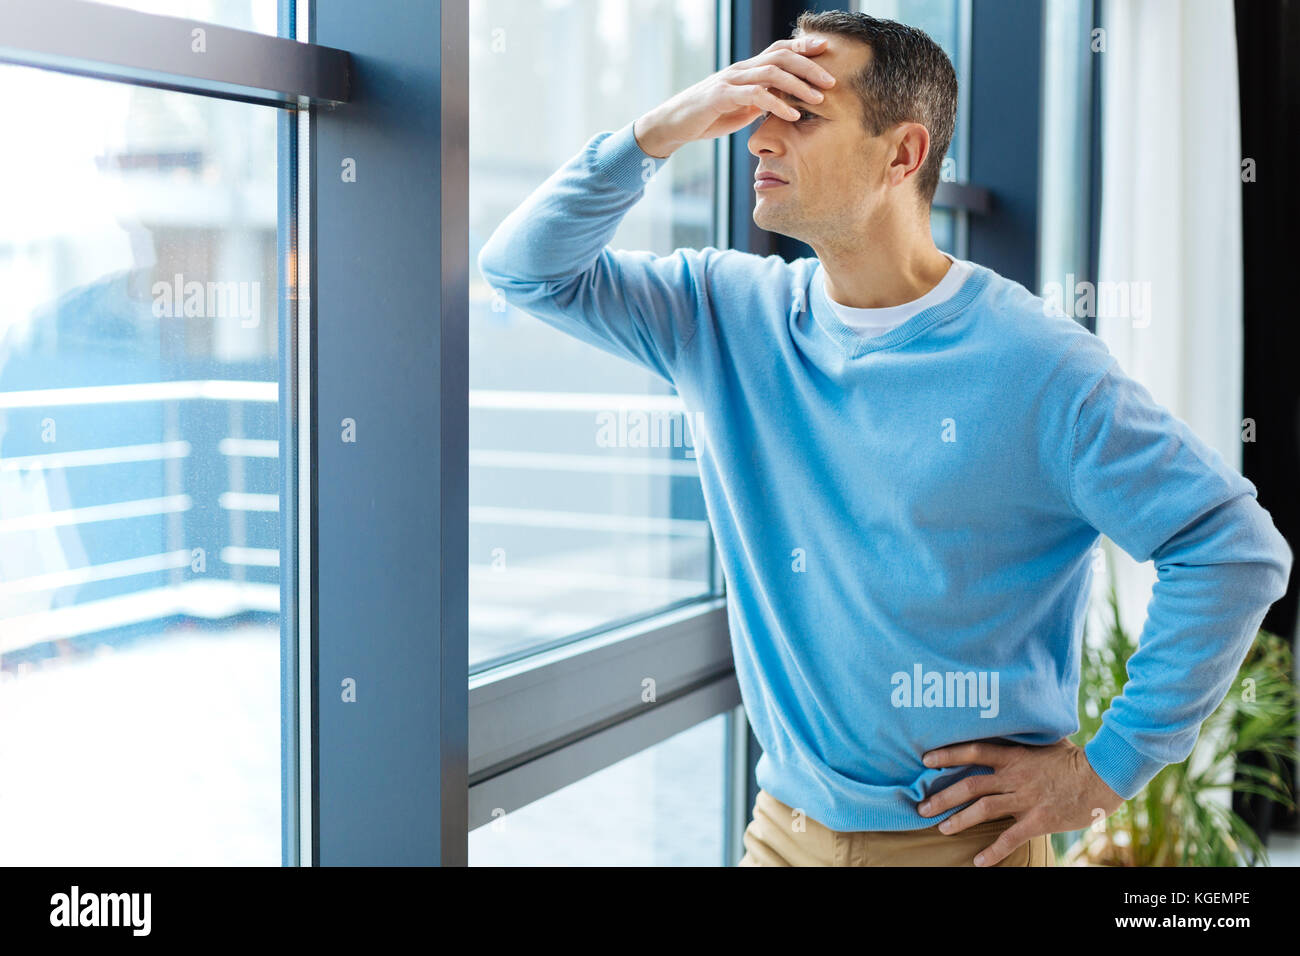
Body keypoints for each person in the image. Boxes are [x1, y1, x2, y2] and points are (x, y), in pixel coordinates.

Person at [476, 10, 1293, 866]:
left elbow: (1232, 548)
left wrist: (1102, 774)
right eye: (760, 101)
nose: (758, 136)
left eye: (800, 112)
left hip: (963, 846)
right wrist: (669, 124)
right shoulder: (722, 314)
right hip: (781, 833)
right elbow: (524, 268)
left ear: (902, 154)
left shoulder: (1038, 365)